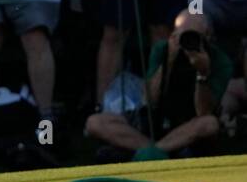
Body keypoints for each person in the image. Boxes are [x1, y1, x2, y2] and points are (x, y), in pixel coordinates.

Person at [85, 10, 230, 160]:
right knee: (95, 122)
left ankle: (151, 151)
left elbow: (203, 112)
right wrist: (168, 61)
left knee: (209, 124)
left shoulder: (219, 60)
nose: (187, 42)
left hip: (188, 123)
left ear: (208, 38)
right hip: (154, 120)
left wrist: (202, 73)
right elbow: (150, 100)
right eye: (182, 35)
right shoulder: (162, 49)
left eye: (194, 36)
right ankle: (160, 151)